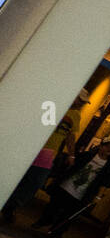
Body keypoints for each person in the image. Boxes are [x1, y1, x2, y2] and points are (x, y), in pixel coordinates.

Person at [2, 88, 88, 223]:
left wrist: (72, 155)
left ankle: (11, 206)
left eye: (83, 102)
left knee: (35, 183)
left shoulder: (75, 116)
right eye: (80, 100)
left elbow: (70, 137)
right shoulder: (52, 105)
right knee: (13, 175)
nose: (81, 104)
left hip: (48, 154)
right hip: (31, 147)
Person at [33, 140, 110, 238]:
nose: (109, 149)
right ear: (100, 146)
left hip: (82, 193)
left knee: (69, 213)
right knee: (53, 205)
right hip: (67, 185)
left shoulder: (108, 166)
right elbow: (71, 165)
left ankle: (56, 231)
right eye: (107, 146)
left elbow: (105, 183)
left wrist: (98, 196)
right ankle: (44, 221)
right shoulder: (87, 155)